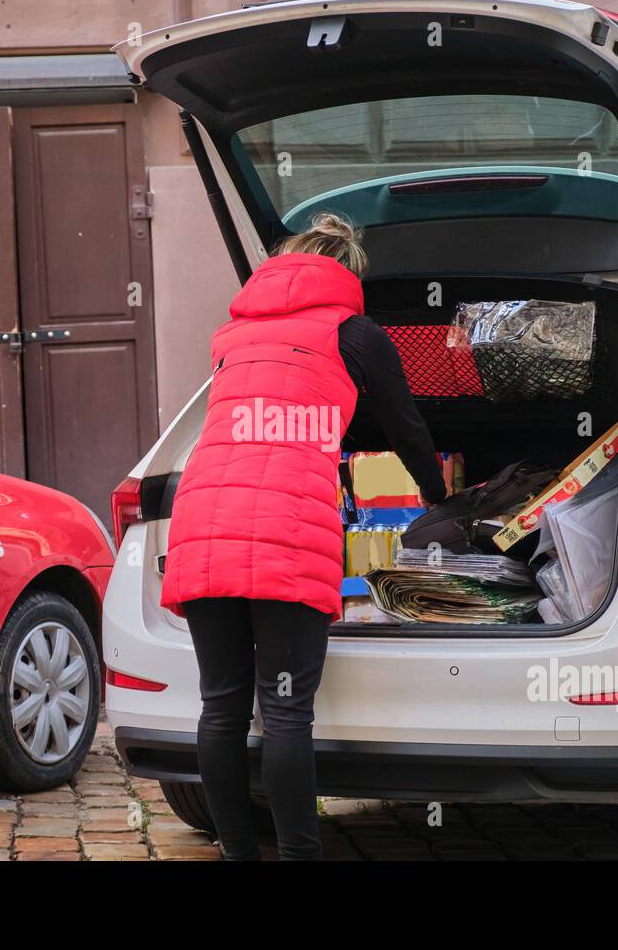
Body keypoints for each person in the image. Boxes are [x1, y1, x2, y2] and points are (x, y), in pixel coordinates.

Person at [160, 213, 446, 860]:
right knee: (286, 710)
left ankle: (239, 852)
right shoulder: (356, 332)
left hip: (204, 521)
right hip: (287, 526)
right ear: (347, 273)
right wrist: (442, 499)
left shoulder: (232, 334)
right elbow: (407, 429)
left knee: (223, 708)